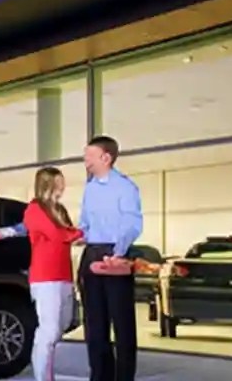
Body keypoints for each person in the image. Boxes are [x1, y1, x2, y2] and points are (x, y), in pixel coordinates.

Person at [78, 135, 143, 381]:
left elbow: (132, 224)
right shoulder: (90, 187)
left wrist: (117, 254)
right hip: (91, 254)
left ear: (106, 157)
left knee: (122, 323)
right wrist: (75, 234)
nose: (86, 161)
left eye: (89, 156)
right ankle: (100, 376)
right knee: (95, 325)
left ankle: (124, 377)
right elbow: (85, 223)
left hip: (116, 254)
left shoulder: (126, 188)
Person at [24, 167, 83, 381]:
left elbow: (68, 234)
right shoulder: (34, 210)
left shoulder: (60, 209)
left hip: (64, 275)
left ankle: (44, 368)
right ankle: (43, 377)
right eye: (59, 182)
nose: (63, 186)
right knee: (48, 331)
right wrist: (82, 232)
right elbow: (58, 235)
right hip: (45, 278)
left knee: (61, 326)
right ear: (47, 184)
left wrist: (78, 234)